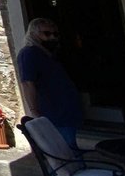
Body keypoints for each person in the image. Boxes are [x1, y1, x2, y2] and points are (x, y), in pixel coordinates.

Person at [17, 17, 83, 150]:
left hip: (65, 112)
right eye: (47, 34)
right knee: (63, 151)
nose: (52, 37)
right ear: (34, 34)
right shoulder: (29, 53)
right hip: (53, 113)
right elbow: (28, 83)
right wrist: (35, 112)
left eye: (55, 34)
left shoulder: (49, 53)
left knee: (70, 148)